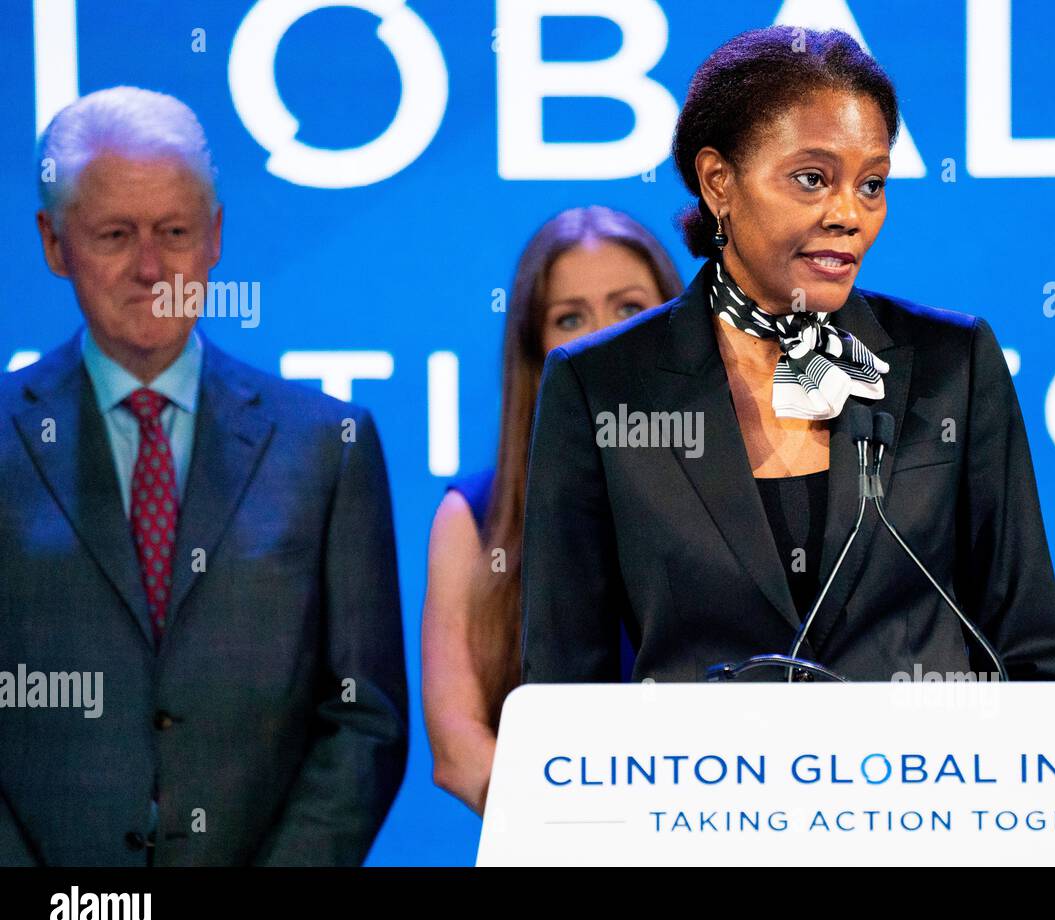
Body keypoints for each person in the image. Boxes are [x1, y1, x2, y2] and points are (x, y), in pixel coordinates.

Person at [520, 28, 1055, 684]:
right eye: (813, 179)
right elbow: (563, 683)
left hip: (918, 754)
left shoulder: (955, 364)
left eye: (872, 184)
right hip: (700, 755)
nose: (850, 214)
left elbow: (1029, 651)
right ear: (718, 182)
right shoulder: (600, 384)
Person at [0, 86, 407, 865]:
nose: (152, 268)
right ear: (54, 244)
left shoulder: (329, 446)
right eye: (115, 235)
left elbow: (365, 720)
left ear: (215, 236)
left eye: (176, 233)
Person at [421, 207, 682, 816]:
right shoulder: (473, 517)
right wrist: (576, 827)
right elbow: (458, 749)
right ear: (535, 351)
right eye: (570, 318)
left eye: (630, 308)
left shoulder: (746, 494)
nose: (602, 337)